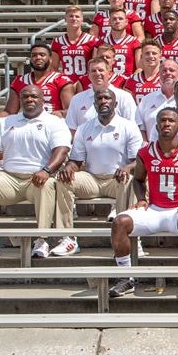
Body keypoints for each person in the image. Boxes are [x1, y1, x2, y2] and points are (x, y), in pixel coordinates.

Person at [108, 108, 178, 298]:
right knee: (119, 221)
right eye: (162, 120)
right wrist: (142, 199)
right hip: (154, 209)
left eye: (171, 121)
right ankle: (125, 277)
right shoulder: (146, 152)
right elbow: (138, 180)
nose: (166, 124)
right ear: (156, 125)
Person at [53, 88, 142, 257]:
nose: (103, 101)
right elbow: (76, 161)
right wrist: (68, 168)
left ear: (115, 103)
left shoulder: (128, 127)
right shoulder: (84, 128)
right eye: (99, 99)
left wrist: (127, 168)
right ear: (94, 104)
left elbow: (137, 161)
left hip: (116, 179)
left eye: (107, 98)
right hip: (92, 178)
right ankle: (67, 238)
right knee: (62, 180)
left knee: (129, 180)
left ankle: (129, 238)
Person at [0, 85, 72, 258]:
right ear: (19, 100)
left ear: (42, 100)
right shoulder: (5, 122)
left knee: (48, 185)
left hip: (38, 177)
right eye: (25, 96)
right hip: (9, 178)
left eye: (34, 96)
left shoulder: (54, 122)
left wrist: (46, 170)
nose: (29, 100)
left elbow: (62, 150)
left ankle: (42, 240)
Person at [64, 58, 137, 131]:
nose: (97, 73)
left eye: (101, 70)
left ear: (109, 74)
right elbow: (71, 129)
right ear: (88, 75)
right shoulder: (77, 99)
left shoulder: (124, 97)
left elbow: (132, 127)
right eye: (93, 71)